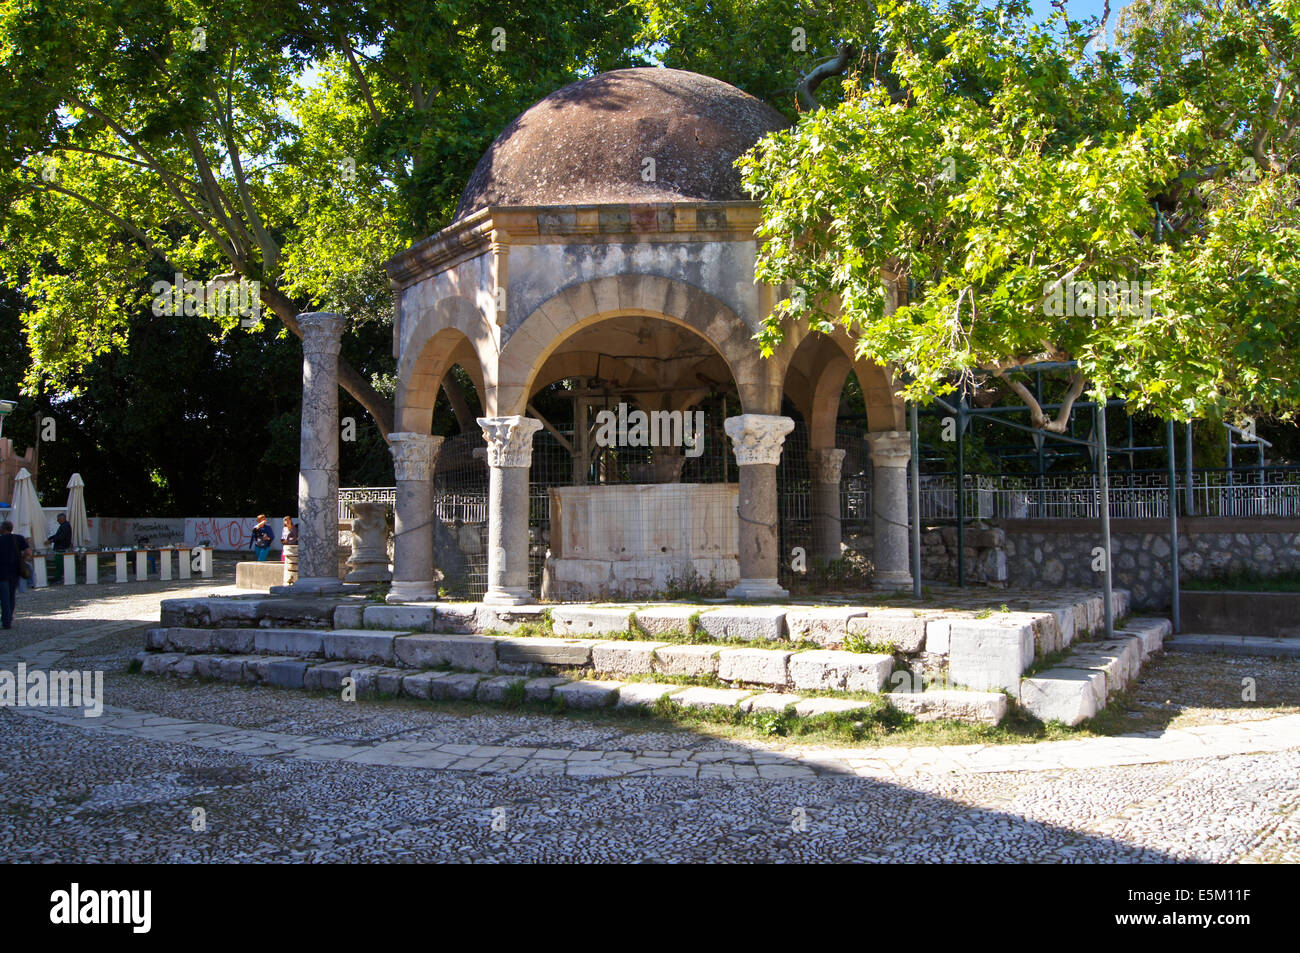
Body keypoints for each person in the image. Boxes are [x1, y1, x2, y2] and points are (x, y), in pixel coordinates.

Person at [0, 520, 32, 629]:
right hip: (15, 571)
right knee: (11, 595)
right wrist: (22, 559)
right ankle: (9, 618)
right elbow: (28, 552)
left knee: (4, 597)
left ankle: (6, 620)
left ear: (3, 529)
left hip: (2, 571)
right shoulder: (18, 538)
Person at [47, 512, 72, 582]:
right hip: (60, 547)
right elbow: (57, 535)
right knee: (59, 564)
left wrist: (51, 540)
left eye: (58, 519)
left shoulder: (65, 526)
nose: (57, 521)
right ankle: (58, 577)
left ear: (62, 519)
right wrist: (50, 538)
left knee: (59, 564)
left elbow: (61, 537)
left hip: (61, 548)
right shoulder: (64, 525)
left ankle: (58, 578)